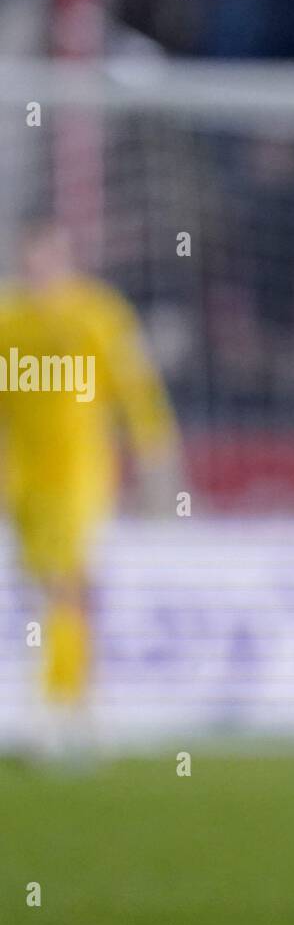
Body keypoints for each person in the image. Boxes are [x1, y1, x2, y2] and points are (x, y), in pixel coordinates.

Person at [0, 218, 178, 759]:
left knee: (65, 586)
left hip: (81, 475)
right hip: (22, 480)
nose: (41, 271)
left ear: (67, 259)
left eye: (50, 259)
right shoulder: (9, 320)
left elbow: (135, 390)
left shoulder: (97, 314)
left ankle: (56, 710)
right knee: (57, 592)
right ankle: (79, 701)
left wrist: (155, 457)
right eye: (33, 261)